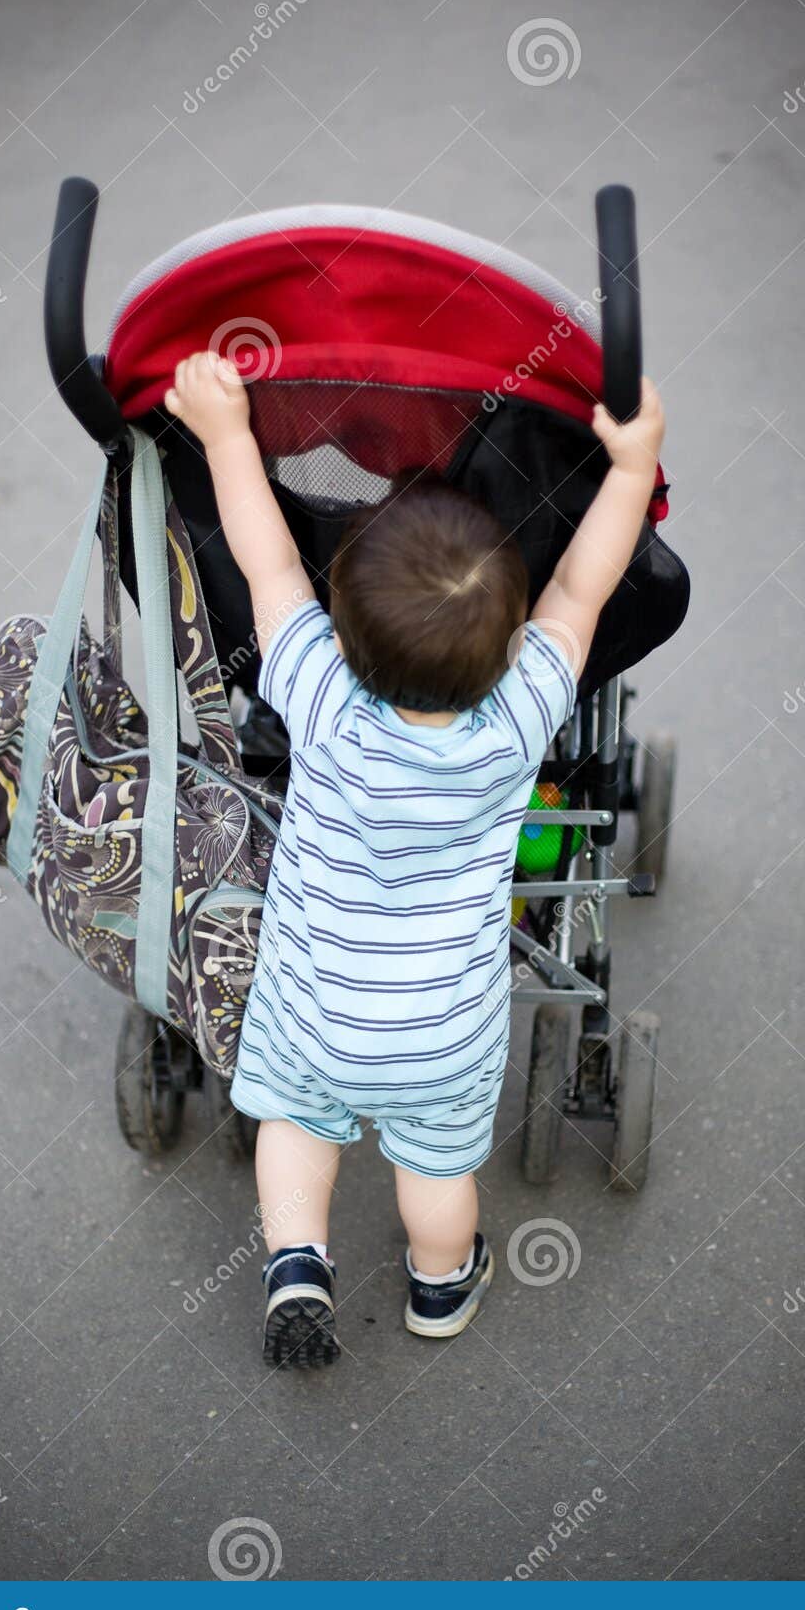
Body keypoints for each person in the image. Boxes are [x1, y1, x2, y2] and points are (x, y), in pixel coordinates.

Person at [165, 354, 665, 1368]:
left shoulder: (315, 697)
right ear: (506, 643)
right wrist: (627, 468)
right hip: (441, 1027)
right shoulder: (517, 721)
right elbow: (579, 587)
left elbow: (265, 565)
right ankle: (442, 1282)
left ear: (340, 630)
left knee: (298, 1128)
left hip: (314, 1006)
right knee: (435, 1169)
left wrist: (225, 436)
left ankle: (297, 1262)